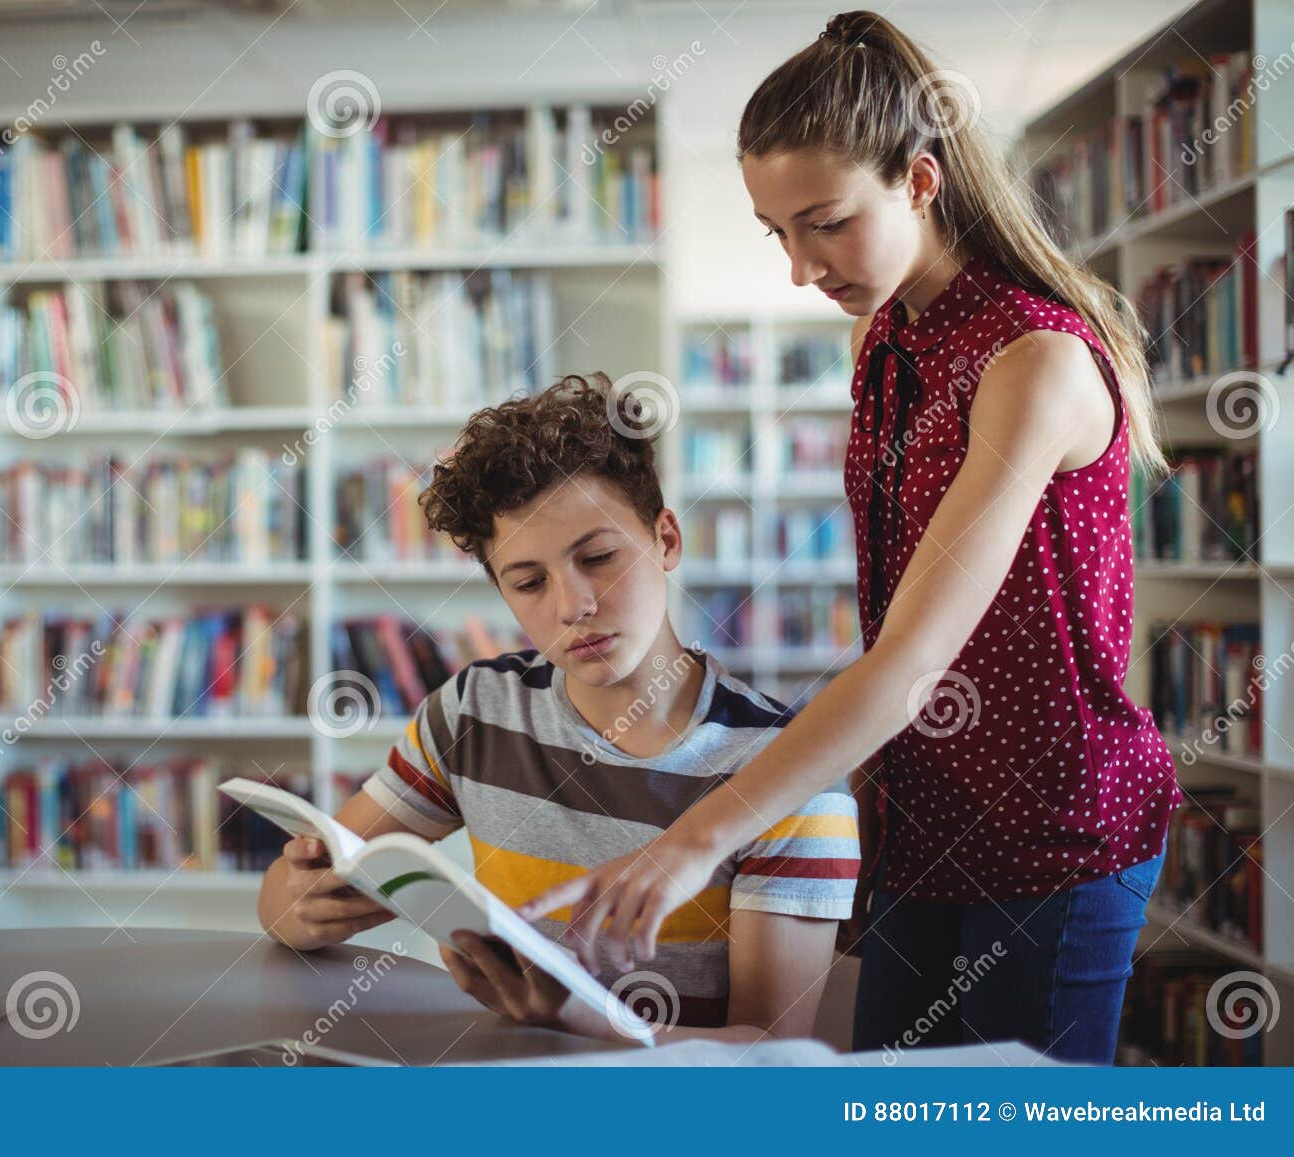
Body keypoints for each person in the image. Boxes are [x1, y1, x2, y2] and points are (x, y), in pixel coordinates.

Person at [517, 11, 1180, 1065]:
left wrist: (701, 838)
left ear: (920, 181)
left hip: (1051, 825)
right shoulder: (888, 337)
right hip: (922, 821)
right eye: (776, 232)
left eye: (824, 222)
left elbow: (910, 662)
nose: (798, 267)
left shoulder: (1035, 361)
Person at [257, 374, 858, 1043]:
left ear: (666, 539)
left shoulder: (792, 772)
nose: (572, 605)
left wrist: (582, 1017)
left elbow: (773, 1058)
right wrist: (299, 904)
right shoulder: (473, 714)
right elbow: (286, 894)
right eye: (529, 582)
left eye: (598, 557)